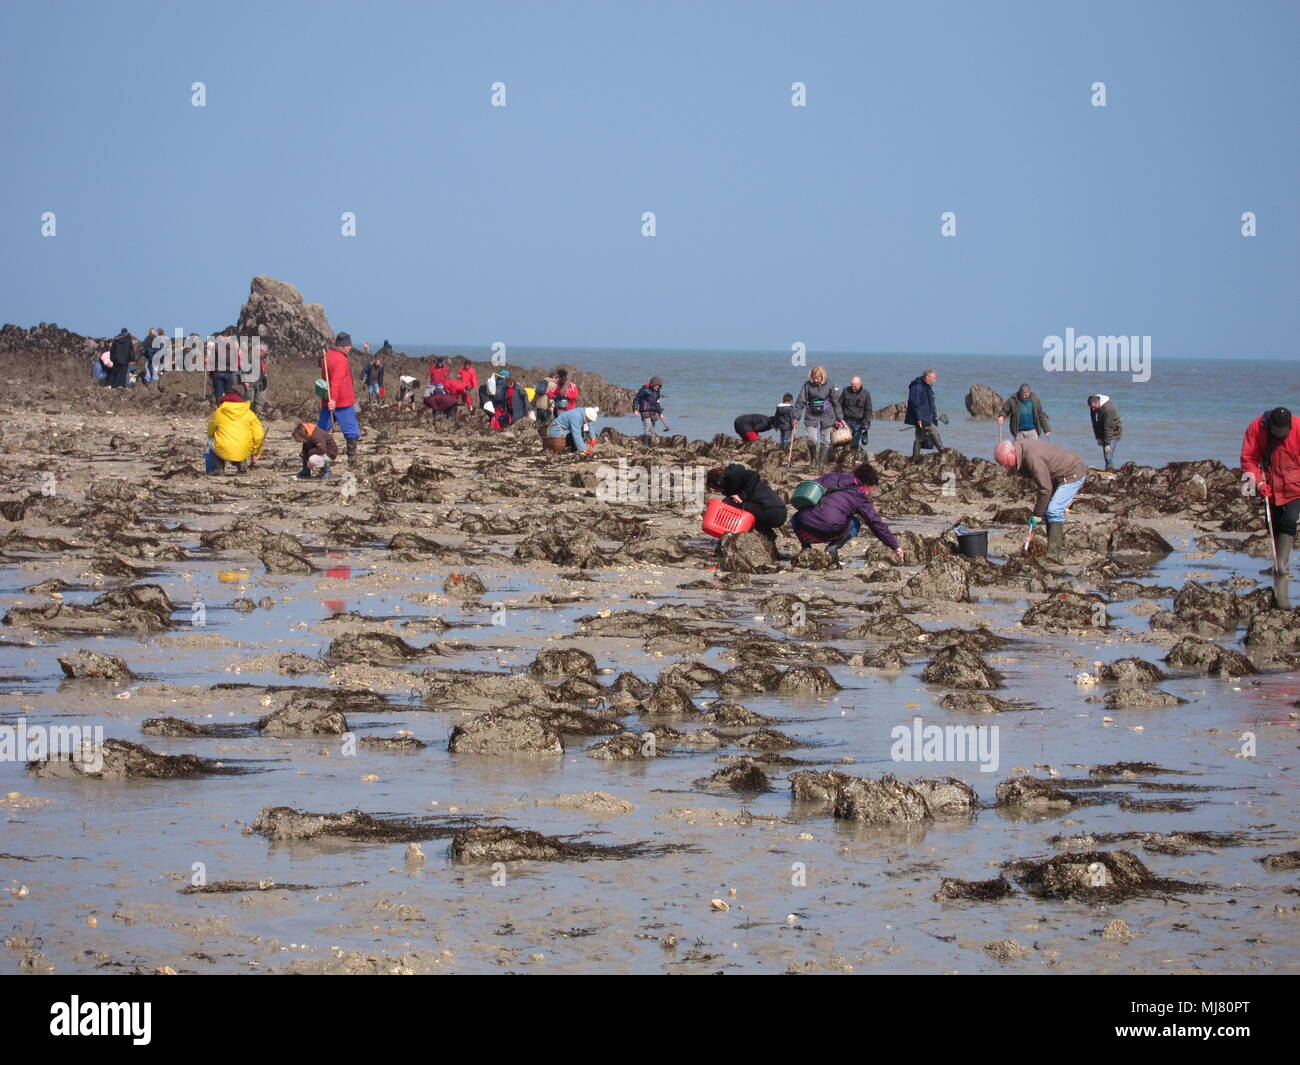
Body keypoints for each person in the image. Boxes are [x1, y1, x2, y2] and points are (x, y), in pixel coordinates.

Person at [791, 461, 905, 564]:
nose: (870, 494)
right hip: (829, 529)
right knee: (855, 523)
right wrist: (895, 547)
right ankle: (832, 548)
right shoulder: (861, 497)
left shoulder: (832, 476)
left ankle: (806, 548)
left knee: (795, 517)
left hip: (803, 525)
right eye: (872, 490)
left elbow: (809, 489)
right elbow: (875, 523)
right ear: (867, 485)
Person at [994, 439, 1086, 564]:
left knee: (1054, 510)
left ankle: (1054, 556)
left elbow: (1045, 489)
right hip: (1056, 477)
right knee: (1049, 511)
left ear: (1011, 453)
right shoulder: (1020, 450)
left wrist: (1037, 514)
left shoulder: (1032, 457)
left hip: (1072, 473)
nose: (1005, 467)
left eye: (1005, 464)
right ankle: (1053, 552)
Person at [1241, 406, 1300, 577]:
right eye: (1277, 432)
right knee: (1272, 523)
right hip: (1269, 483)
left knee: (1289, 520)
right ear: (1270, 426)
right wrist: (1258, 484)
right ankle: (1277, 564)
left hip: (1296, 485)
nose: (1280, 436)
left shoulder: (1298, 427)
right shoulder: (1256, 428)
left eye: (1284, 432)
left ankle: (1282, 566)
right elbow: (1248, 459)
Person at [707, 464, 787, 542]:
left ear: (717, 483)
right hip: (777, 510)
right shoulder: (729, 481)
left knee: (731, 504)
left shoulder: (732, 475)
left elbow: (754, 475)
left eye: (715, 489)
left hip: (775, 512)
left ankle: (733, 535)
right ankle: (766, 534)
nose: (716, 491)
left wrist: (742, 496)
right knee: (730, 502)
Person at [205, 383, 264, 475]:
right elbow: (259, 435)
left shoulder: (219, 411)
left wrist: (213, 435)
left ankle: (219, 467)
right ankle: (241, 464)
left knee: (210, 441)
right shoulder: (249, 413)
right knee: (245, 441)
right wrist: (256, 453)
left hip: (222, 448)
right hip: (244, 450)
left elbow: (210, 430)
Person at [318, 332, 360, 464]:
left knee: (320, 430)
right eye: (349, 345)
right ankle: (352, 459)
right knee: (350, 430)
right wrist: (334, 400)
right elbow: (336, 381)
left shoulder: (327, 356)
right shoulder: (340, 359)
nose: (350, 348)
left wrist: (330, 400)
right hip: (341, 401)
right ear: (343, 346)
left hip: (327, 399)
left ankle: (308, 455)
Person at [792, 366, 844, 470]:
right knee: (812, 439)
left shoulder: (829, 384)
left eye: (818, 378)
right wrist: (796, 417)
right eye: (814, 378)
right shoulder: (807, 385)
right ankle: (813, 460)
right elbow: (801, 401)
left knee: (826, 440)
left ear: (823, 376)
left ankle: (821, 463)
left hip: (827, 414)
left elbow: (835, 402)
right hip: (811, 414)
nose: (815, 380)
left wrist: (840, 418)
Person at [904, 369, 942, 460]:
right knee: (934, 431)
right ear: (927, 377)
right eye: (933, 378)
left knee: (919, 437)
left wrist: (934, 416)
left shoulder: (927, 386)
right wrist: (919, 418)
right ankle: (943, 451)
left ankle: (915, 458)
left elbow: (930, 403)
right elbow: (915, 403)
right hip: (921, 417)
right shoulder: (917, 387)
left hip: (926, 416)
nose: (934, 381)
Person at [1087, 394, 1122, 470]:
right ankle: (1109, 468)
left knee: (1108, 455)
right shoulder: (1093, 406)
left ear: (1098, 403)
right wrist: (1098, 438)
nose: (1093, 409)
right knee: (1106, 455)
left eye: (1093, 407)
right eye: (1091, 408)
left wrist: (1107, 444)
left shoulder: (1108, 409)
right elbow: (1095, 423)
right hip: (1104, 430)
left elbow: (1108, 427)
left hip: (1114, 431)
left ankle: (1110, 471)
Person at [839, 376, 873, 453]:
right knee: (845, 442)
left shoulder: (866, 394)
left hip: (859, 422)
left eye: (854, 386)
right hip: (846, 421)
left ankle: (853, 457)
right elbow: (839, 405)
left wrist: (867, 422)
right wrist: (839, 419)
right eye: (852, 385)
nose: (853, 387)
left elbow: (868, 410)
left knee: (855, 443)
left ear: (859, 384)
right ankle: (845, 458)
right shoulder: (846, 391)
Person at [633, 376, 665, 445]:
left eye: (659, 386)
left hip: (653, 412)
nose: (657, 388)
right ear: (652, 384)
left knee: (652, 430)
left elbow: (658, 403)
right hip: (645, 411)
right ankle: (645, 446)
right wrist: (635, 409)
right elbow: (636, 399)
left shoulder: (658, 392)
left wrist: (660, 414)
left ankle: (649, 445)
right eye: (656, 386)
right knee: (648, 427)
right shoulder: (644, 389)